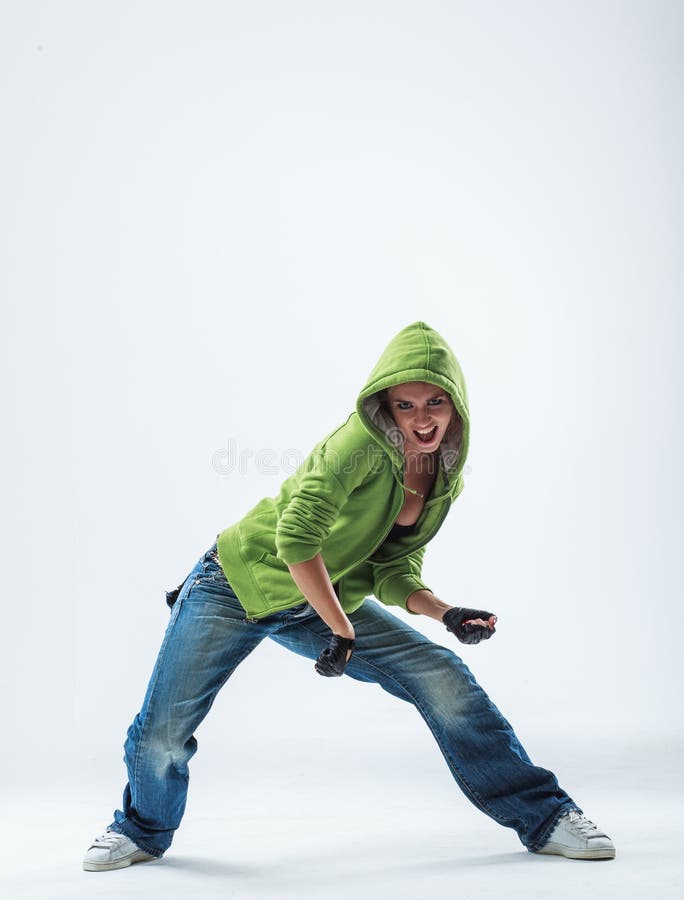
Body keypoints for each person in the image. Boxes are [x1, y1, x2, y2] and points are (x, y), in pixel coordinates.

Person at [83, 320, 615, 871]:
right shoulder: (358, 444)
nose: (423, 419)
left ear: (455, 402)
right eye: (406, 406)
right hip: (238, 585)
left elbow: (392, 565)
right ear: (386, 404)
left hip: (321, 595)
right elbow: (295, 539)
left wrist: (445, 612)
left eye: (435, 402)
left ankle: (546, 818)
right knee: (164, 731)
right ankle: (141, 831)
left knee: (443, 675)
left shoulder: (442, 472)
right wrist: (341, 629)